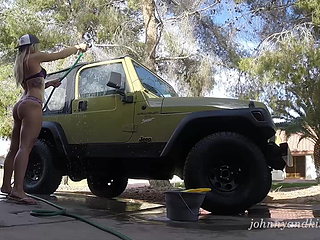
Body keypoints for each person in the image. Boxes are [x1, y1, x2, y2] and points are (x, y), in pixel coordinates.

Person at [0, 34, 87, 204]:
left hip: (21, 104)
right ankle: (18, 190)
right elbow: (60, 55)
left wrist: (49, 83)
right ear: (33, 46)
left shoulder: (22, 62)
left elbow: (33, 85)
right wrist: (78, 47)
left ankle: (6, 186)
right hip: (32, 105)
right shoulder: (35, 57)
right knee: (26, 147)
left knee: (14, 148)